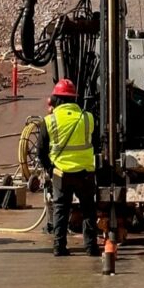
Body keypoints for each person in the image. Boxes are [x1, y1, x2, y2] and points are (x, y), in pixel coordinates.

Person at [36, 79, 99, 257]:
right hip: (85, 173)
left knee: (61, 210)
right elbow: (95, 144)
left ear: (56, 99)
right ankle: (91, 247)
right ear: (74, 99)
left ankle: (59, 247)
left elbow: (40, 151)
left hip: (61, 173)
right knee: (88, 210)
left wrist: (50, 169)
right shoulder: (88, 118)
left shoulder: (49, 121)